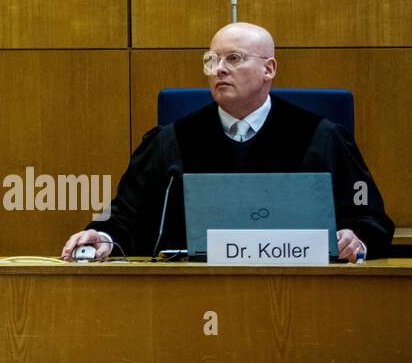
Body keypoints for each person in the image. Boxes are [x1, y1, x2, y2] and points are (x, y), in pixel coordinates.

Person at [61, 22, 393, 262]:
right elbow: (128, 218)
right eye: (211, 60)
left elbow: (369, 218)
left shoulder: (321, 138)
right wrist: (102, 236)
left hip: (302, 294)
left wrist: (356, 237)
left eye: (233, 59)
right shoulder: (172, 141)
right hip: (188, 295)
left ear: (269, 68)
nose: (219, 69)